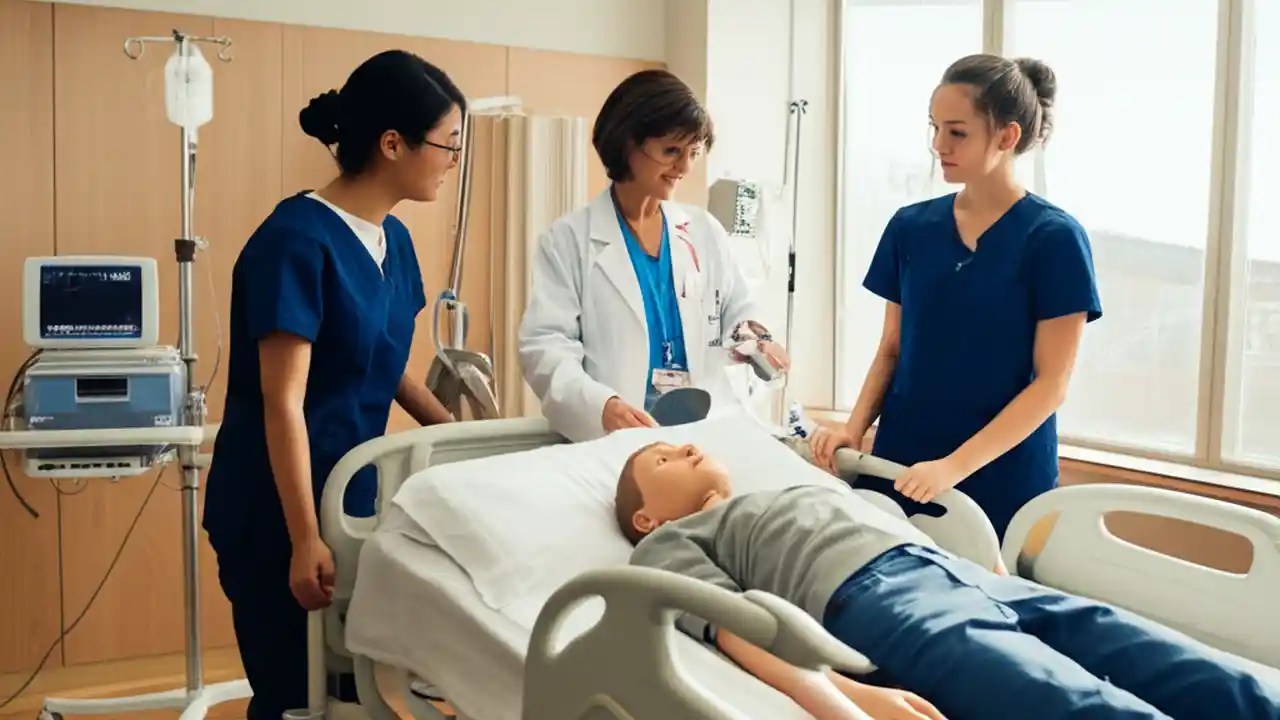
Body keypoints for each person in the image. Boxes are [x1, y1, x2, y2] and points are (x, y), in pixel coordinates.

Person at [618, 441, 1280, 720]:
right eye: (665, 457)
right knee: (1071, 703)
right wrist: (849, 699)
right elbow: (735, 626)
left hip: (964, 575)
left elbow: (909, 527)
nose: (688, 448)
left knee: (1162, 657)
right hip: (879, 600)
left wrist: (990, 575)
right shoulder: (673, 542)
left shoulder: (796, 487)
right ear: (646, 515)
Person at [202, 50, 461, 719]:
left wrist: (463, 437)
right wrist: (303, 537)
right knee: (293, 693)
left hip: (348, 494)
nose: (453, 161)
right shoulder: (293, 240)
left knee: (347, 688)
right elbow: (282, 400)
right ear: (393, 143)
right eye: (448, 145)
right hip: (275, 510)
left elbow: (383, 360)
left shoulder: (393, 241)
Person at [810, 54, 1103, 540]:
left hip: (999, 476)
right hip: (900, 463)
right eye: (934, 128)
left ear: (1007, 137)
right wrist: (853, 427)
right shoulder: (911, 227)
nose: (937, 145)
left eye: (956, 132)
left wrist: (952, 468)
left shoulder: (1054, 239)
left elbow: (1051, 385)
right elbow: (892, 348)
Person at [518, 69, 789, 443]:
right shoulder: (568, 240)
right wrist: (602, 405)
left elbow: (737, 309)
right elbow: (545, 347)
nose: (686, 168)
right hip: (620, 435)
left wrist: (756, 340)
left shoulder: (703, 231)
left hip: (706, 430)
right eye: (671, 151)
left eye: (693, 152)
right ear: (628, 143)